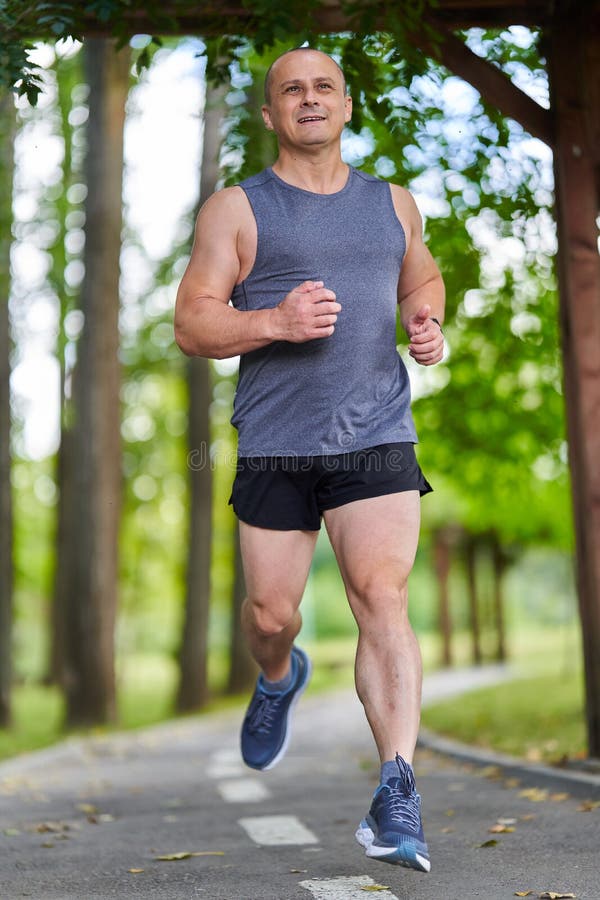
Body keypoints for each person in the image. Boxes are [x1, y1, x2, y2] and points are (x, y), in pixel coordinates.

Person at [174, 46, 445, 873]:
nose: (309, 98)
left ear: (347, 106)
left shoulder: (393, 203)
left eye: (324, 85)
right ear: (270, 116)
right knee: (269, 615)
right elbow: (192, 324)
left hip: (375, 434)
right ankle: (278, 674)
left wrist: (426, 322)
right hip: (277, 445)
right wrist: (273, 323)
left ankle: (398, 787)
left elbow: (419, 278)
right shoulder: (237, 208)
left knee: (382, 596)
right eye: (291, 89)